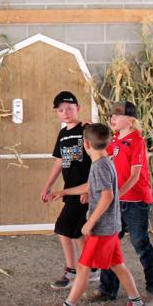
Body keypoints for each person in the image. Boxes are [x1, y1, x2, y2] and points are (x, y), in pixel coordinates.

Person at [40, 123, 148, 306]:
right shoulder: (105, 162)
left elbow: (106, 196)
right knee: (118, 265)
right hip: (111, 226)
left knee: (83, 268)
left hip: (103, 228)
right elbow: (91, 186)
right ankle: (137, 305)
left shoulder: (99, 166)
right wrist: (63, 192)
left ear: (86, 144)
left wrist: (90, 223)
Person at [92, 101, 153, 300]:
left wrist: (117, 195)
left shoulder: (137, 141)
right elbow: (101, 160)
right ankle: (107, 289)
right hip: (119, 200)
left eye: (117, 116)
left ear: (130, 120)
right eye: (111, 116)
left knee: (140, 242)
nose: (112, 119)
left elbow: (135, 175)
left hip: (136, 201)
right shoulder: (114, 140)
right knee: (110, 241)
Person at [41, 91, 98, 289]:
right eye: (61, 110)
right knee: (77, 230)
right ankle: (91, 268)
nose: (65, 113)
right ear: (56, 112)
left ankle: (72, 270)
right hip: (69, 189)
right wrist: (48, 186)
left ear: (78, 109)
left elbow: (96, 160)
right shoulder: (63, 133)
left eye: (70, 109)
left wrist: (88, 189)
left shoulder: (86, 129)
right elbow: (60, 161)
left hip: (83, 191)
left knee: (63, 227)